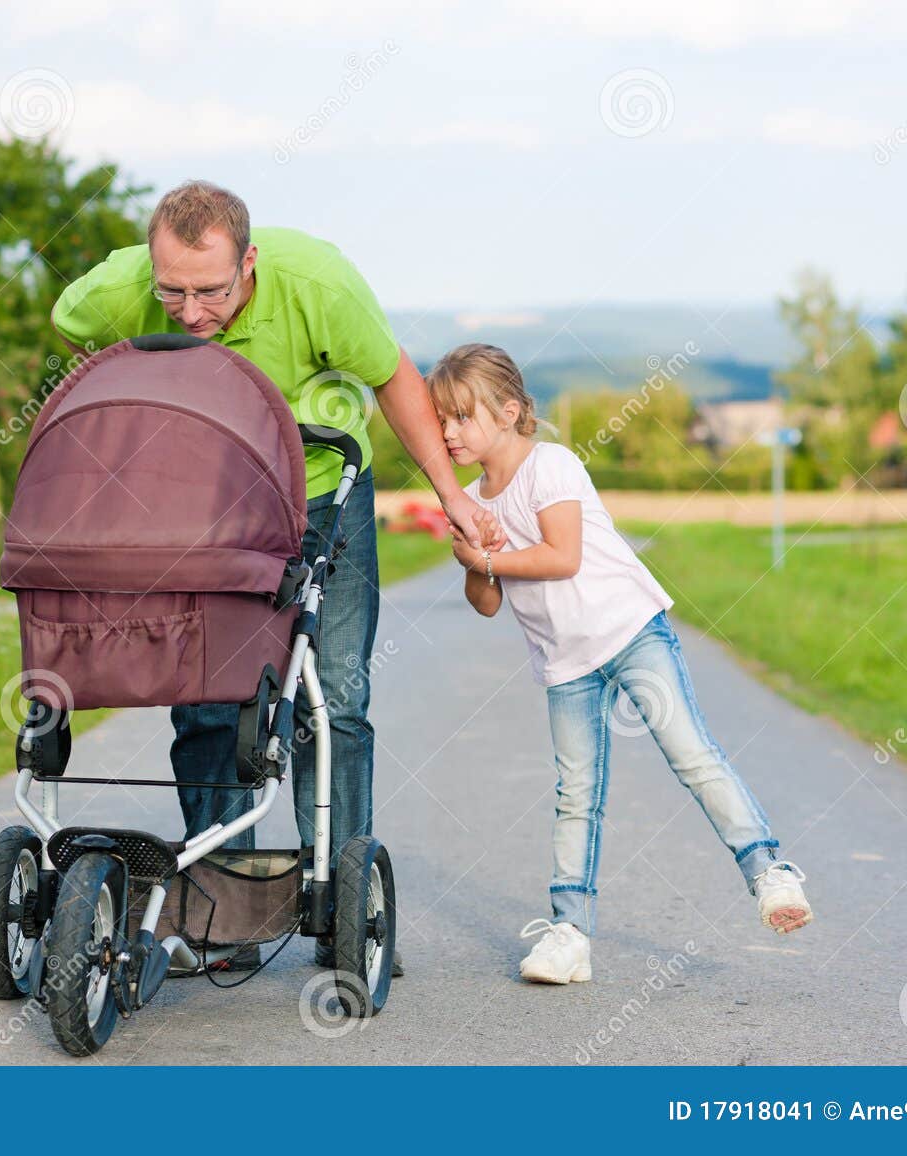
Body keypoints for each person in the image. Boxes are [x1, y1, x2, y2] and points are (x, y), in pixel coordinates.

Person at [52, 181, 491, 973]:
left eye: (210, 292)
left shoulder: (319, 286)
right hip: (198, 512)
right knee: (212, 701)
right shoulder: (121, 289)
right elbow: (74, 338)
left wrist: (451, 494)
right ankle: (224, 914)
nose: (188, 311)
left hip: (321, 496)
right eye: (172, 290)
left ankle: (339, 905)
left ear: (248, 262)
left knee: (337, 701)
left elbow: (394, 378)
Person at [427, 342, 813, 984]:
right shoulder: (469, 499)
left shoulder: (551, 465)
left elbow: (562, 556)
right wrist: (473, 555)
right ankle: (569, 934)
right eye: (442, 420)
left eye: (461, 417)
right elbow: (487, 602)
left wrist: (489, 558)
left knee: (691, 753)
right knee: (575, 794)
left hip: (631, 632)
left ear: (509, 411)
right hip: (564, 664)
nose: (448, 432)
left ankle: (768, 871)